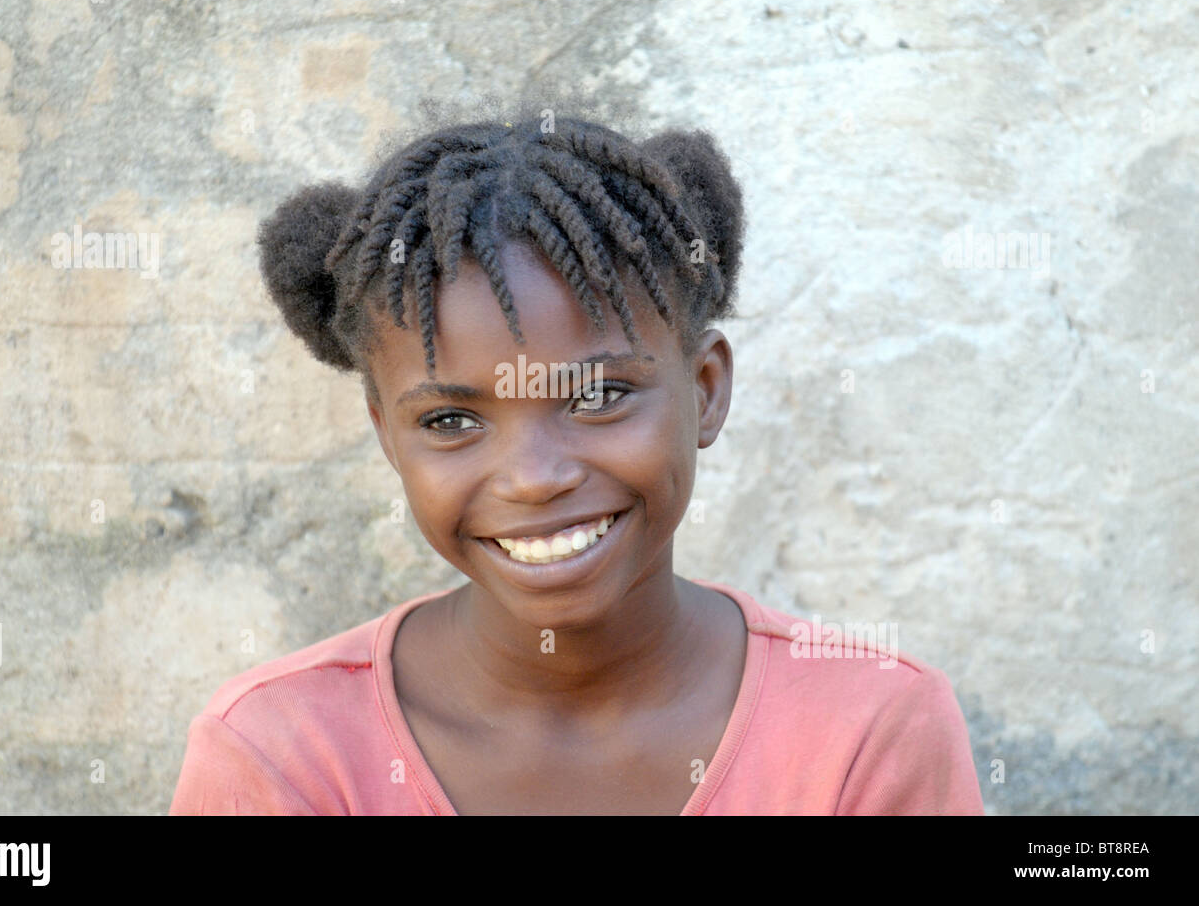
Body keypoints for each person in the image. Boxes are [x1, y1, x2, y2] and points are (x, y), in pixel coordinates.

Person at [169, 112, 985, 815]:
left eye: (597, 397)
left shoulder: (868, 731)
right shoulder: (281, 758)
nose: (533, 476)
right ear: (388, 433)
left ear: (704, 391)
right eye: (451, 419)